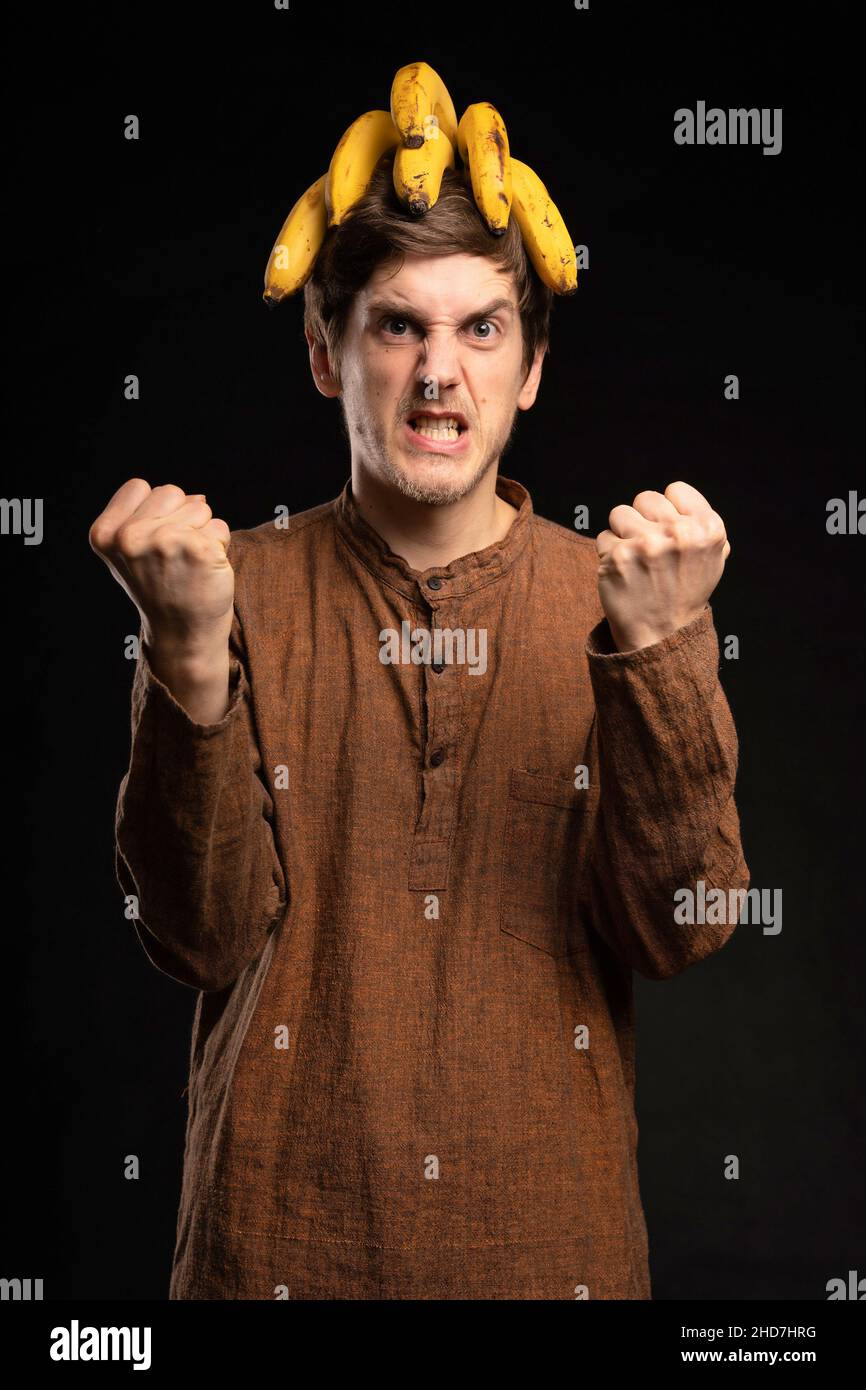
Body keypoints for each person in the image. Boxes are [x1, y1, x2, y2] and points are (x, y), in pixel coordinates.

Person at [89, 159, 748, 1299]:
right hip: (269, 1259)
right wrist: (187, 652)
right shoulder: (218, 586)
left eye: (481, 328)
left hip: (552, 1261)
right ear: (322, 353)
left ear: (531, 369)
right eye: (396, 324)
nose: (438, 374)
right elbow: (195, 938)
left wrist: (658, 655)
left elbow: (673, 930)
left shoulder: (623, 595)